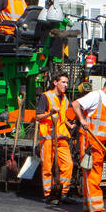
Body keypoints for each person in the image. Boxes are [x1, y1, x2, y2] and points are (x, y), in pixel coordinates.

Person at [73, 77, 106, 212]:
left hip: (101, 144)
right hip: (90, 142)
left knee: (95, 174)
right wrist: (82, 120)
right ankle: (96, 208)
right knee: (92, 174)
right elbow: (76, 104)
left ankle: (90, 206)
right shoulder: (95, 96)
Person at [37, 72, 74, 203]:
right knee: (47, 166)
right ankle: (48, 194)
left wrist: (70, 125)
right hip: (48, 137)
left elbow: (62, 118)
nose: (65, 85)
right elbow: (38, 116)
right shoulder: (45, 97)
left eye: (66, 82)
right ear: (55, 83)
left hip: (61, 137)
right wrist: (50, 113)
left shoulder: (65, 99)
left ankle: (62, 193)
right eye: (63, 82)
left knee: (68, 165)